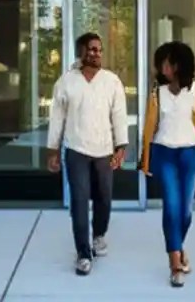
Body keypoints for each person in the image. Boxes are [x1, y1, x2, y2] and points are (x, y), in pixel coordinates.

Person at [46, 31, 128, 276]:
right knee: (80, 201)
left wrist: (121, 146)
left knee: (104, 197)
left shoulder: (111, 81)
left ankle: (99, 235)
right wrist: (52, 149)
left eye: (99, 49)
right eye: (91, 49)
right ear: (81, 52)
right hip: (76, 150)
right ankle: (83, 253)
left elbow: (119, 116)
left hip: (103, 150)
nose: (96, 53)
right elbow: (57, 117)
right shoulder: (66, 82)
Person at [140, 41, 195, 288]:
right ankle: (175, 262)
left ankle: (178, 246)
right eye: (161, 62)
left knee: (185, 211)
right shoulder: (157, 92)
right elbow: (149, 128)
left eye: (168, 62)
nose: (163, 67)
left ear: (179, 64)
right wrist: (146, 157)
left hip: (190, 152)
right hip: (164, 152)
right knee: (171, 207)